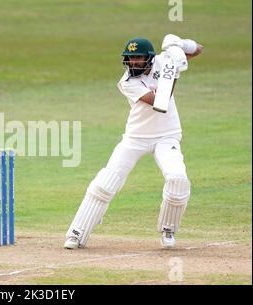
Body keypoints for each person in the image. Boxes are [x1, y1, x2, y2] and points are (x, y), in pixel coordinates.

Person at [64, 34, 203, 250]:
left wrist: (178, 45)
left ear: (149, 57)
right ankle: (77, 232)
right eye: (130, 58)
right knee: (104, 184)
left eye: (138, 58)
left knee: (177, 179)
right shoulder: (127, 82)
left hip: (167, 136)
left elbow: (198, 50)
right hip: (136, 137)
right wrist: (173, 72)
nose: (134, 62)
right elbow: (161, 102)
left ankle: (168, 229)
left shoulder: (164, 59)